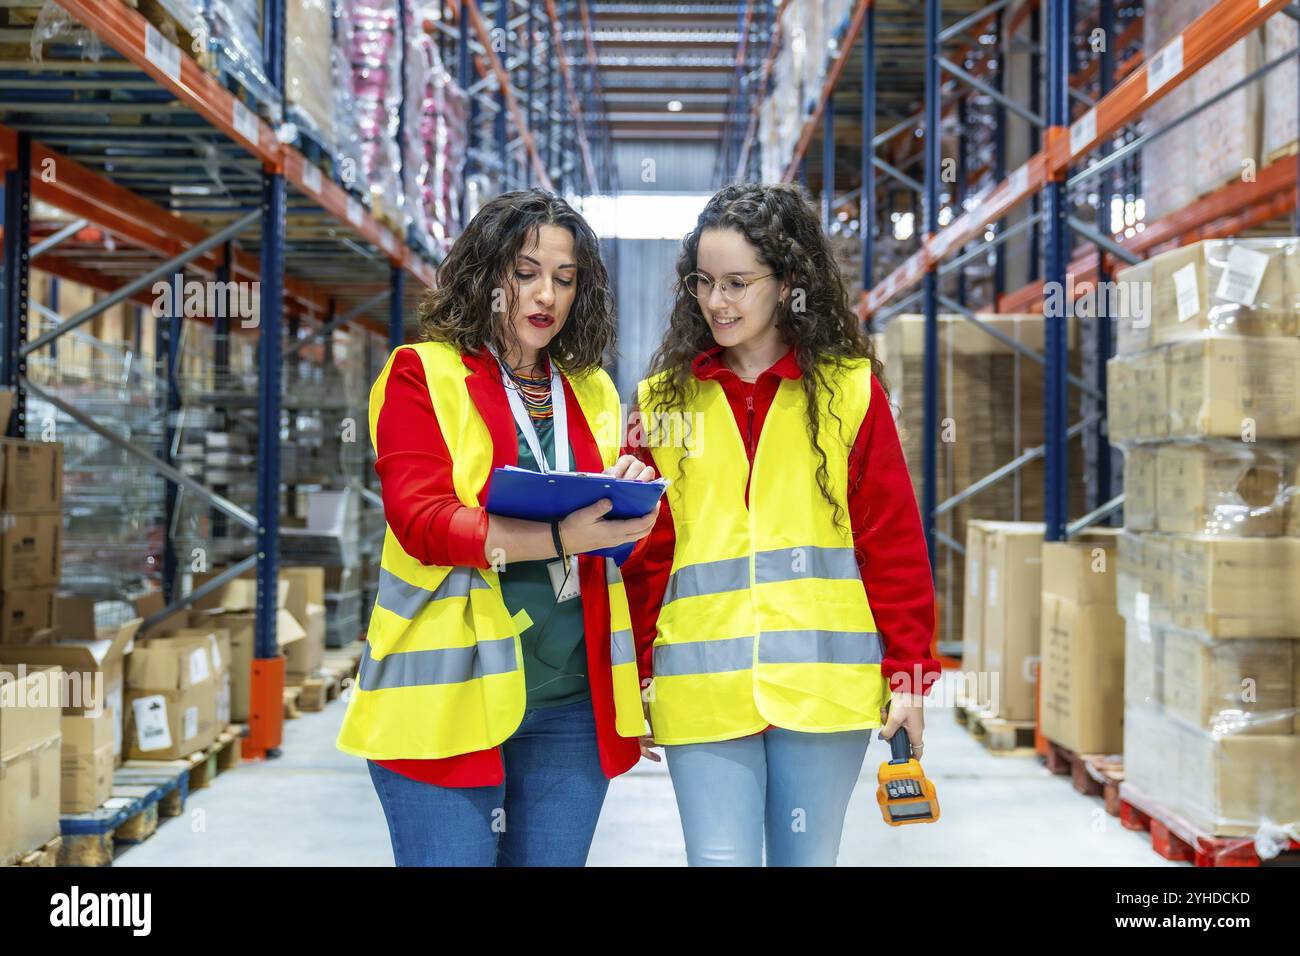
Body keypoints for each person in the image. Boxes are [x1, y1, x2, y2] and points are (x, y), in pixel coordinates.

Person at [336, 188, 659, 867]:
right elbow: (424, 522)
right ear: (486, 276)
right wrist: (565, 537)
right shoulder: (421, 375)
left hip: (571, 704)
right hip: (448, 702)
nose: (546, 294)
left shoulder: (591, 388)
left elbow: (615, 545)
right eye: (525, 272)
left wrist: (628, 502)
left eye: (565, 279)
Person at [621, 182, 940, 867]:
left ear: (789, 282)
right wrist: (636, 672)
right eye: (704, 282)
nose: (716, 302)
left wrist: (910, 675)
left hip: (822, 688)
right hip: (701, 684)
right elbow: (647, 554)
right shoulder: (662, 404)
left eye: (738, 282)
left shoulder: (850, 393)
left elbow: (892, 545)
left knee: (806, 860)